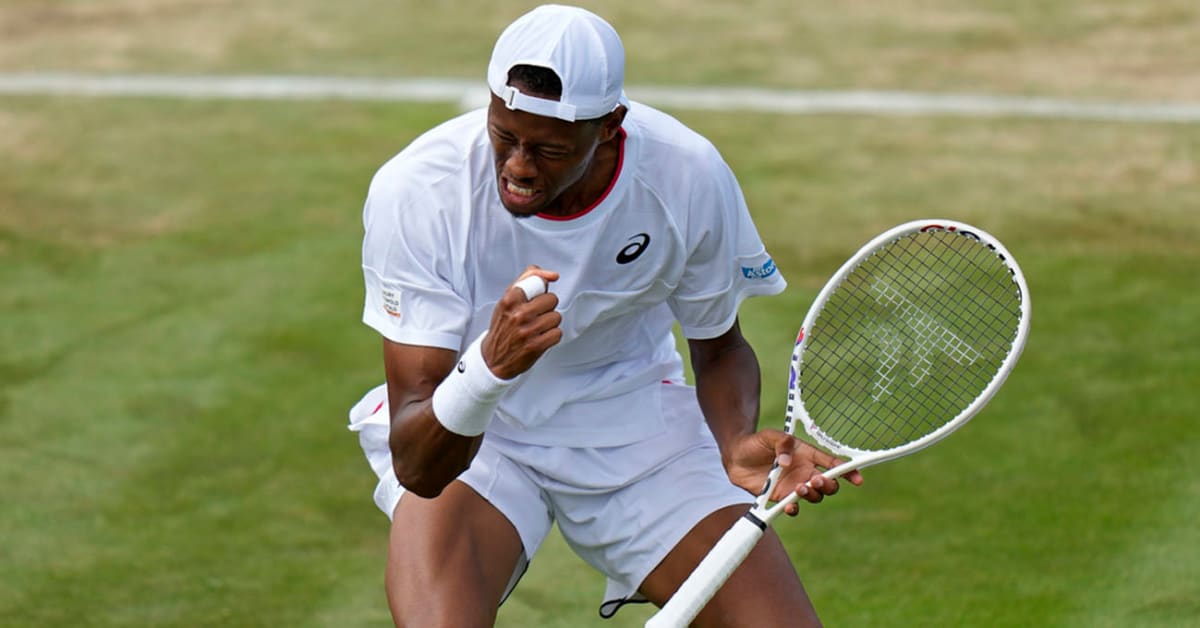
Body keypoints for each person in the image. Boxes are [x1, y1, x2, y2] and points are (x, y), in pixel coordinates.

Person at [347, 4, 863, 626]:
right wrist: (488, 367)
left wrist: (733, 443)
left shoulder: (686, 174)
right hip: (479, 430)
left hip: (634, 420)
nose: (516, 168)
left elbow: (719, 345)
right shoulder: (417, 191)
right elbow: (418, 466)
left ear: (611, 126)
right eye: (504, 136)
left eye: (547, 149)